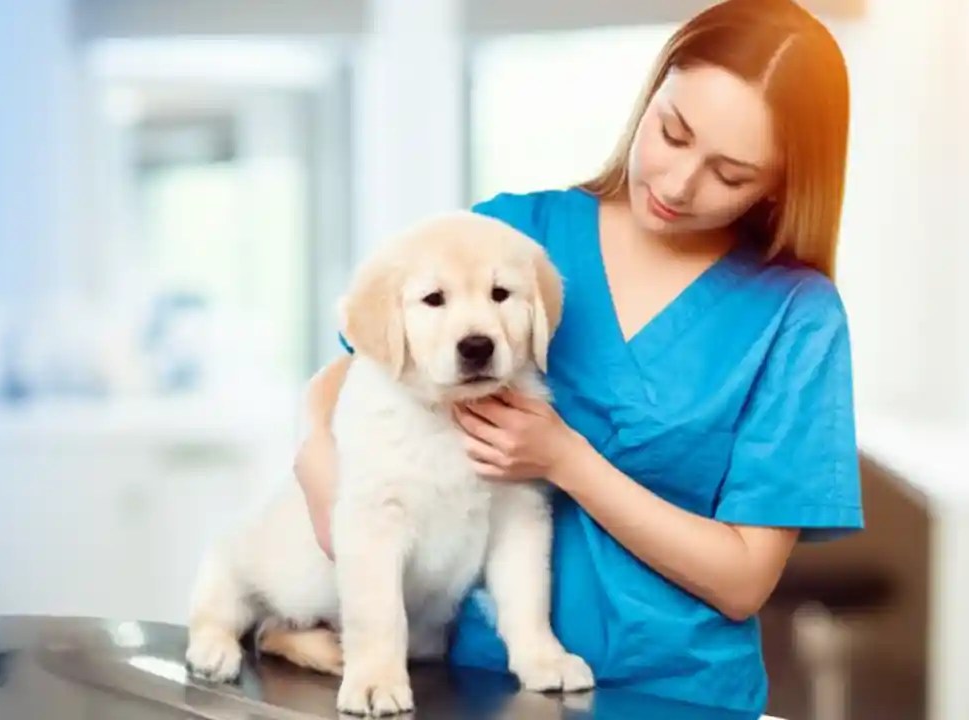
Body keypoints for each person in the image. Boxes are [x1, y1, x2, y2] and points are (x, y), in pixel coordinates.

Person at [290, 0, 862, 713]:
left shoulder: (795, 317)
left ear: (781, 181)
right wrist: (326, 483)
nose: (679, 183)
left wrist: (565, 460)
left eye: (732, 174)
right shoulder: (516, 236)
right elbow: (346, 378)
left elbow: (744, 578)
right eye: (673, 132)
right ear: (652, 92)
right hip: (473, 679)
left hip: (676, 695)